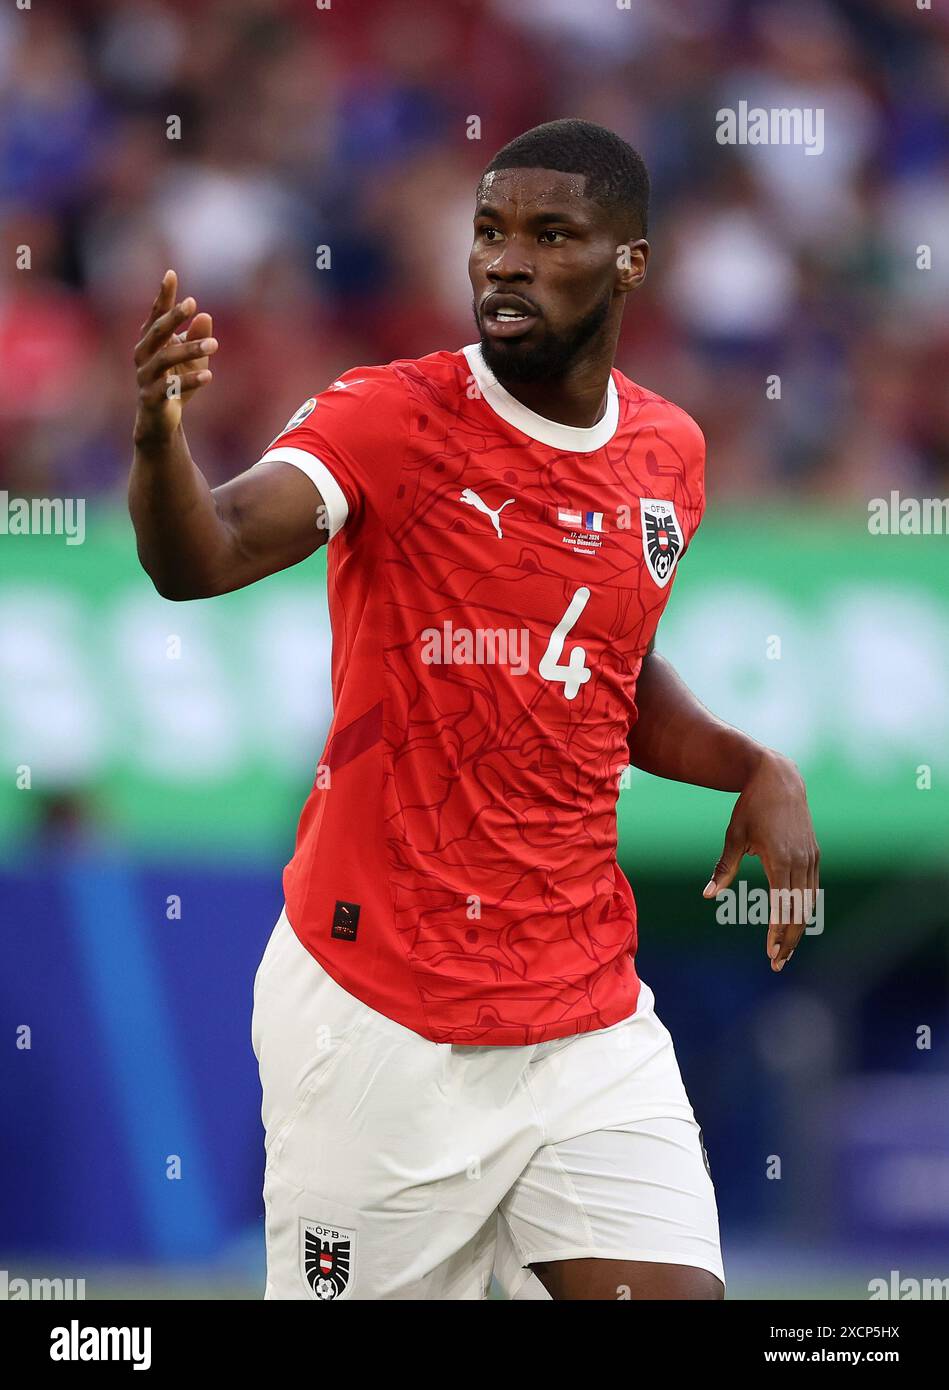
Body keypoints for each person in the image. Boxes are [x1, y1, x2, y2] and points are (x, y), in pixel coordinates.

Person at [129, 118, 819, 1301]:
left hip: (583, 1018)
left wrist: (755, 765)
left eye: (549, 235)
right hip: (379, 1015)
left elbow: (608, 673)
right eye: (489, 233)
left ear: (629, 263)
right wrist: (158, 439)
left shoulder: (668, 452)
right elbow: (210, 552)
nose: (505, 260)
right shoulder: (387, 417)